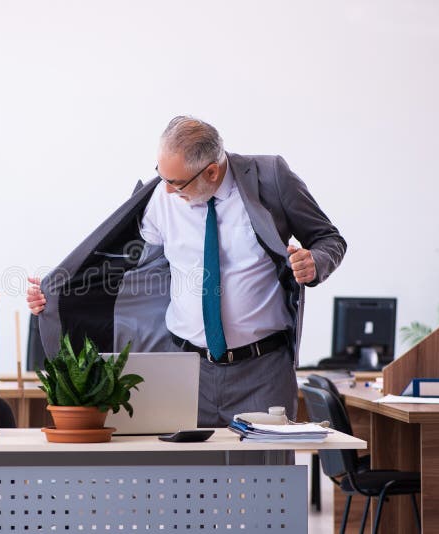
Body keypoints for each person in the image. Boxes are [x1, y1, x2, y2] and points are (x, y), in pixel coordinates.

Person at [27, 116, 345, 426]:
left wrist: (315, 261)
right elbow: (118, 266)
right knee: (183, 477)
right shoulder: (159, 198)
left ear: (211, 171)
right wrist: (57, 294)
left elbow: (329, 238)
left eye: (176, 183)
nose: (166, 190)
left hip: (262, 373)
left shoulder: (272, 177)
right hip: (183, 372)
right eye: (161, 175)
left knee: (267, 476)